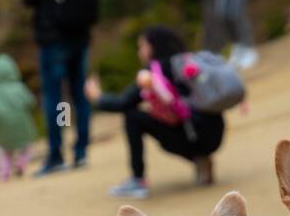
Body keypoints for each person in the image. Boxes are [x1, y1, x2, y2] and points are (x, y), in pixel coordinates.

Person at [85, 26, 224, 200]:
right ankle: (200, 158)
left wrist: (97, 97)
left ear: (152, 47)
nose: (139, 52)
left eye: (141, 46)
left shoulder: (153, 71)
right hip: (215, 134)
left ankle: (137, 179)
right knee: (162, 118)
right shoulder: (187, 62)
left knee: (133, 116)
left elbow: (123, 103)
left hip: (190, 137)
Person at [21, 0, 98, 176]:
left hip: (53, 37)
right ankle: (81, 152)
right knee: (79, 94)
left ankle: (55, 155)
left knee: (54, 96)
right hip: (81, 34)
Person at [0, 54, 38, 181]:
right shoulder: (19, 87)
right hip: (22, 126)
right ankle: (21, 163)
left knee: (5, 152)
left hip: (2, 129)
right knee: (26, 146)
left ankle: (4, 173)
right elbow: (31, 102)